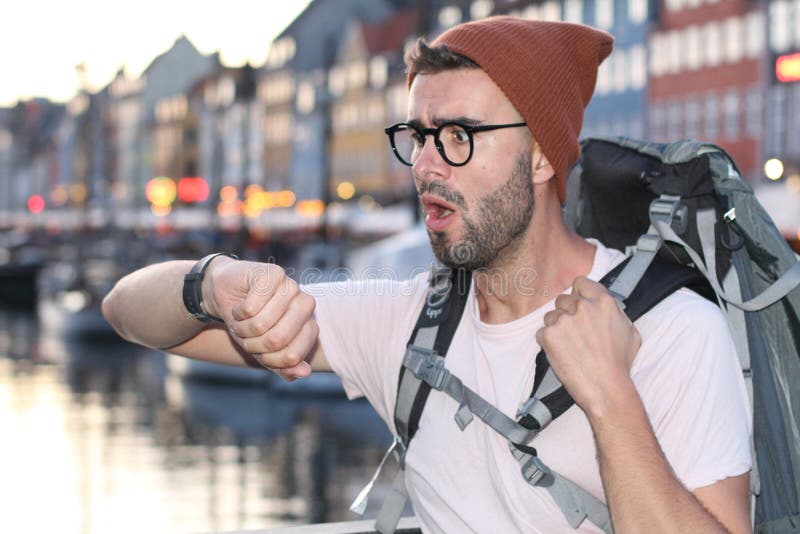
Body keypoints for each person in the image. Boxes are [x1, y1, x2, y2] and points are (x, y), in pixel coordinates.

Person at [102, 16, 752, 534]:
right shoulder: (408, 324)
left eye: (460, 137)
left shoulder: (671, 329)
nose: (427, 166)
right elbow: (127, 312)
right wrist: (214, 282)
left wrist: (610, 396)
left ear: (541, 158)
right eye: (420, 135)